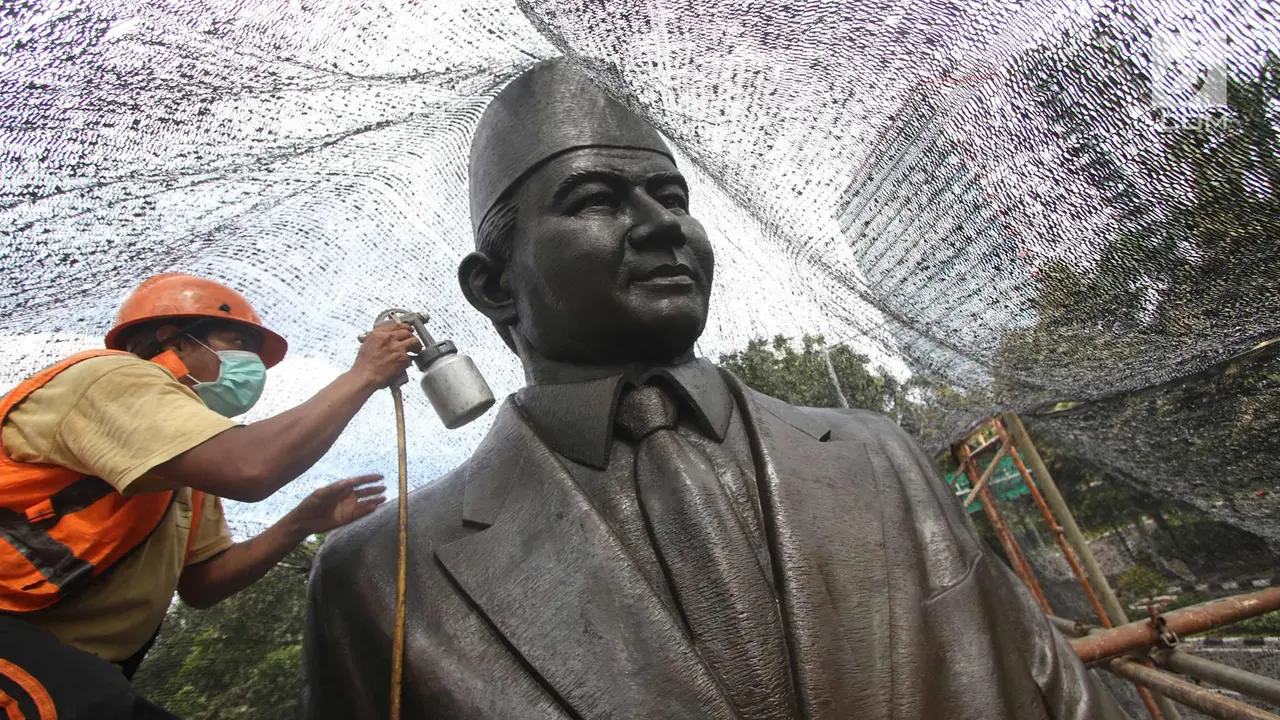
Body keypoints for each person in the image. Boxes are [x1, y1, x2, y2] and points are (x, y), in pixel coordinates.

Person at [302, 59, 1128, 720]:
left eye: (670, 197)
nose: (662, 225)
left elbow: (1056, 687)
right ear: (493, 288)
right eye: (595, 201)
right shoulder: (381, 580)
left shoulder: (881, 456)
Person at [0, 272, 420, 720]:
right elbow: (250, 467)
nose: (250, 364)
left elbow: (203, 582)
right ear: (172, 339)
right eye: (234, 340)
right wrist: (363, 374)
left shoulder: (180, 464)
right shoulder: (109, 377)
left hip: (67, 664)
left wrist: (298, 524)